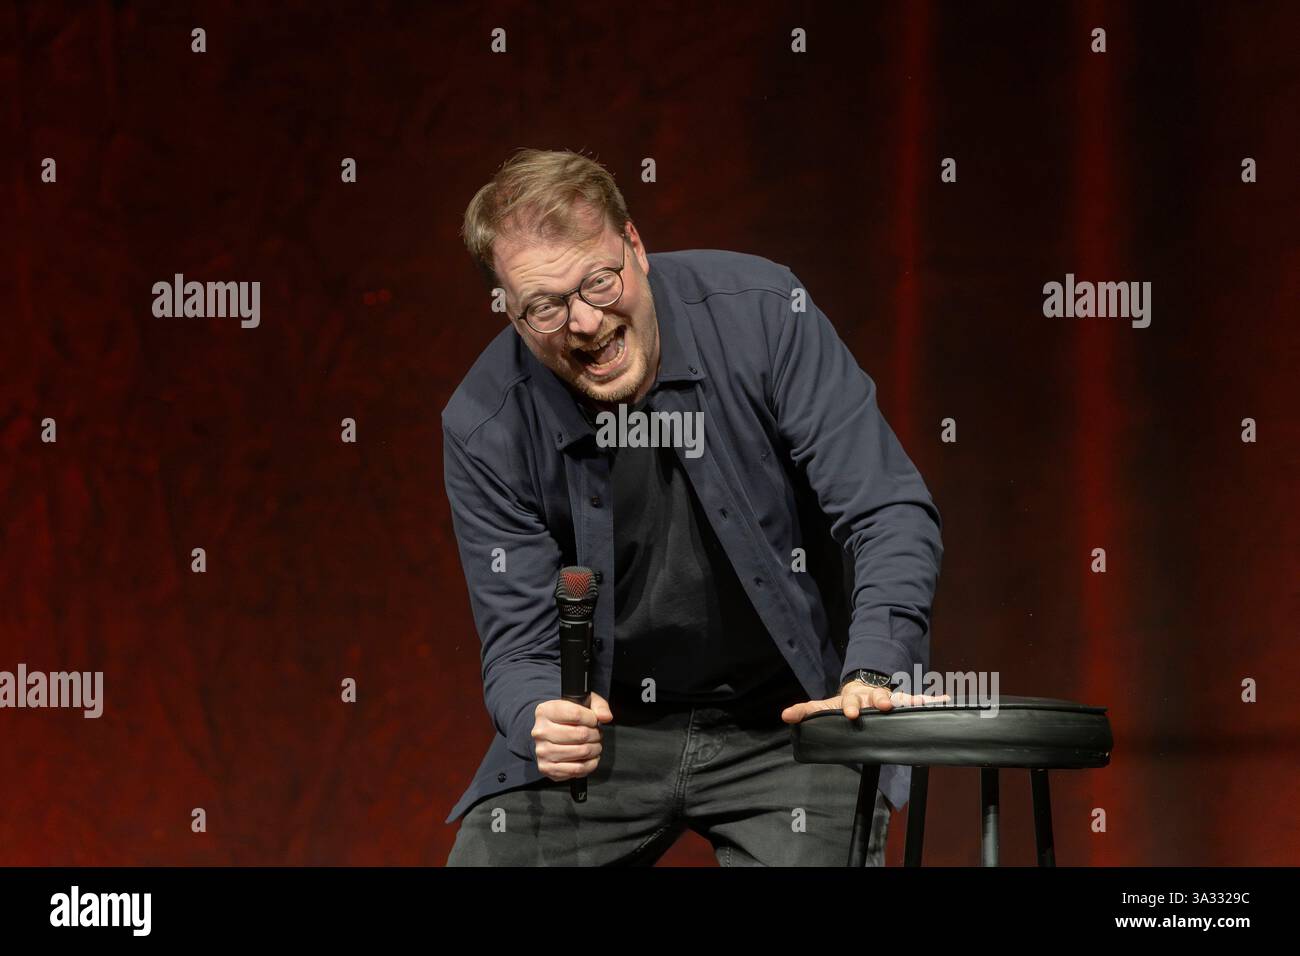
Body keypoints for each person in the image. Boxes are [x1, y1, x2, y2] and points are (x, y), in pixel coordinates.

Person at [442, 148, 945, 865]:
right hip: (610, 733)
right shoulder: (484, 422)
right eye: (544, 307)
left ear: (636, 247)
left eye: (598, 281)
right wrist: (538, 716)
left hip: (787, 721)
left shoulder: (766, 314)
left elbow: (887, 511)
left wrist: (874, 671)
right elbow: (518, 643)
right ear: (511, 312)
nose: (583, 322)